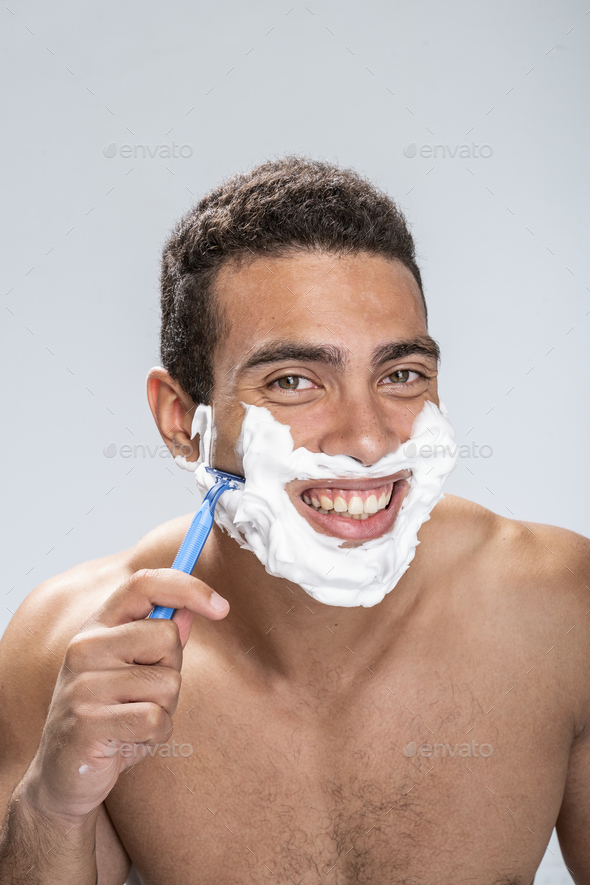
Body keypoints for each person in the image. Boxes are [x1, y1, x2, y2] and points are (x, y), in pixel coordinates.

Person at [1, 156, 588, 885]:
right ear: (181, 419)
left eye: (400, 374)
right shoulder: (71, 650)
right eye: (294, 382)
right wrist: (52, 808)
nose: (369, 438)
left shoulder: (562, 610)